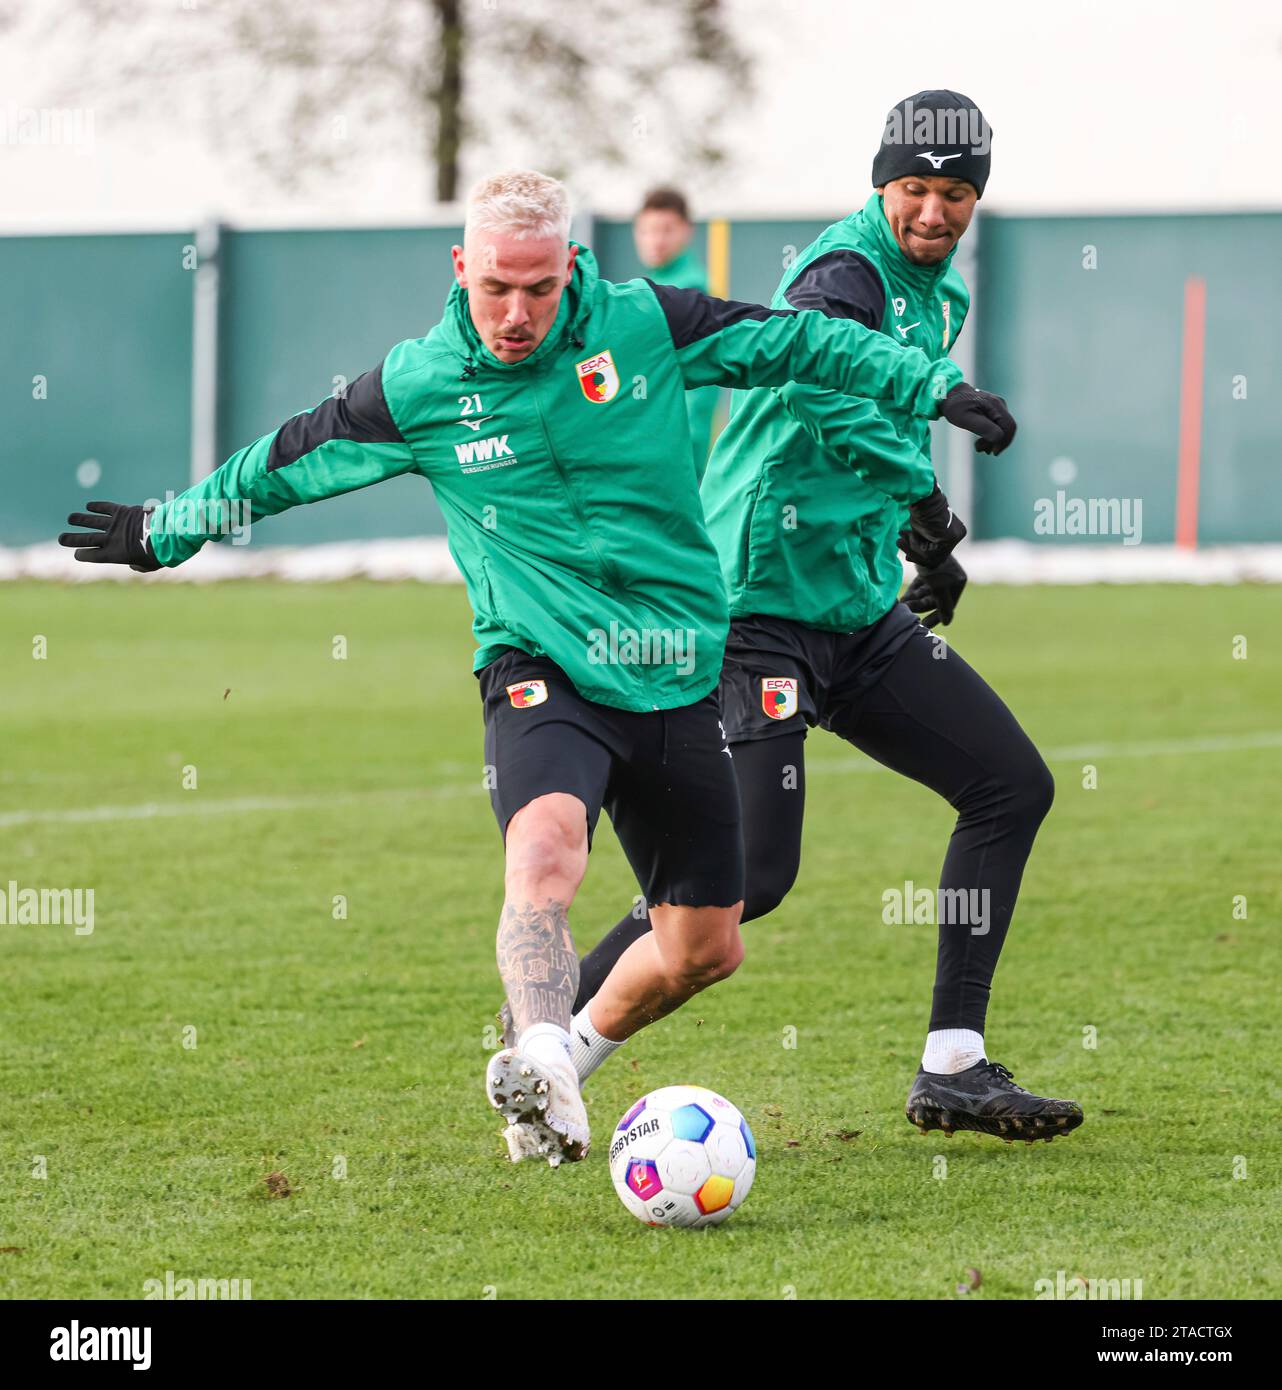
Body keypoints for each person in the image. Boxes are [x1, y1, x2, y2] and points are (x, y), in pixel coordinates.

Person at [60, 168, 1017, 1167]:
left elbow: (794, 340)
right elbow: (289, 460)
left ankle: (558, 1058)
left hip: (674, 666)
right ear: (460, 266)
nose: (514, 315)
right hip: (538, 662)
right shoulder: (421, 384)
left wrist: (930, 384)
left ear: (570, 267)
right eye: (494, 289)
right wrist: (166, 530)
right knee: (548, 848)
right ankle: (541, 1048)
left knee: (707, 945)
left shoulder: (647, 325)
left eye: (538, 289)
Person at [568, 94, 1085, 1145]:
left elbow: (874, 427)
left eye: (954, 194)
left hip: (849, 609)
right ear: (879, 185)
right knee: (748, 877)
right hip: (757, 605)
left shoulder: (932, 292)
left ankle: (952, 1067)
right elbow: (822, 389)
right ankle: (548, 1039)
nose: (933, 212)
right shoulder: (838, 275)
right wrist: (927, 498)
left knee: (1007, 786)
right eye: (914, 190)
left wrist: (921, 540)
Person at [633, 187, 719, 474]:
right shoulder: (650, 286)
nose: (656, 241)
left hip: (672, 454)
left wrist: (685, 453)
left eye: (667, 230)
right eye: (648, 231)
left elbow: (698, 389)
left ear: (687, 231)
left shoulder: (687, 290)